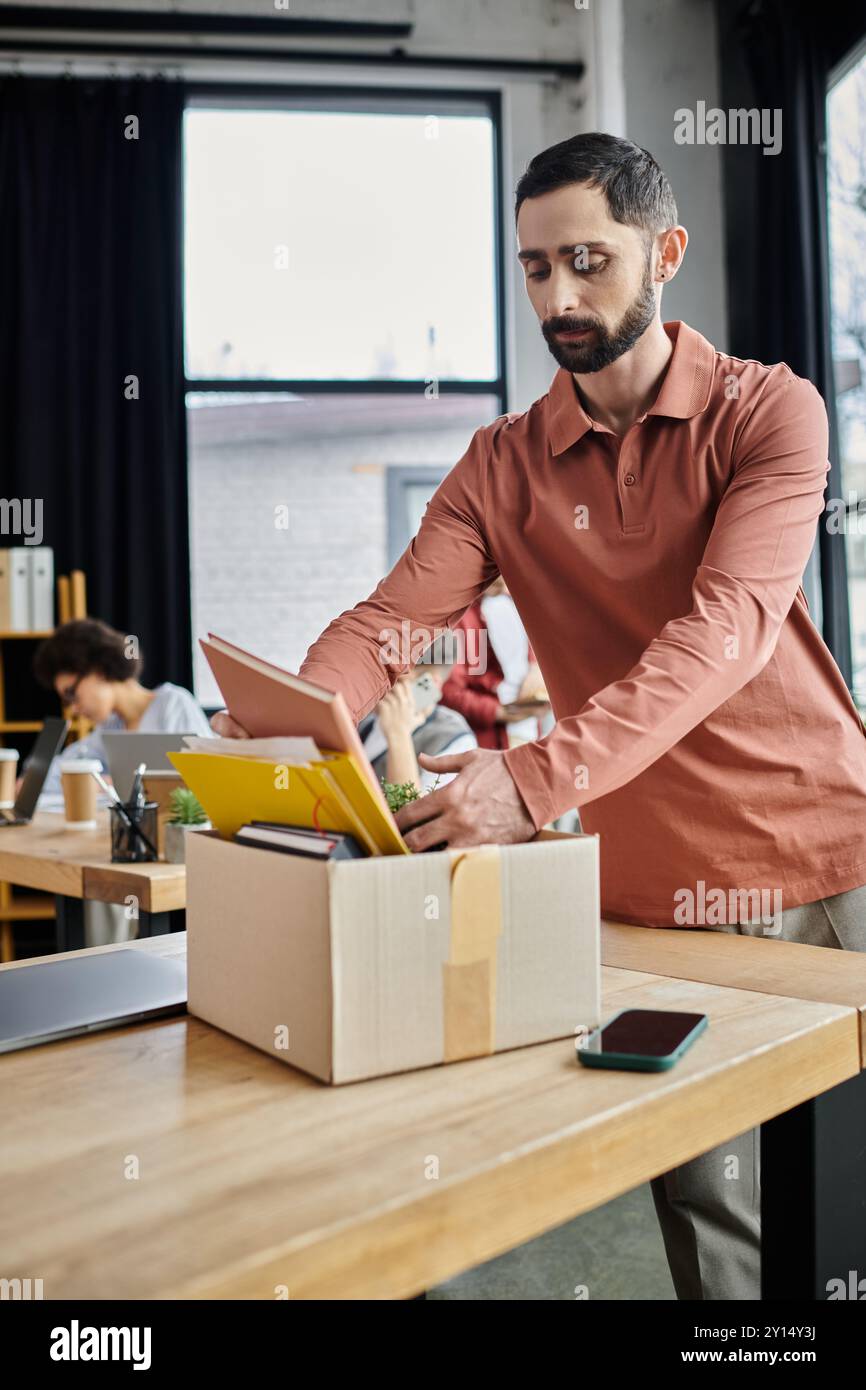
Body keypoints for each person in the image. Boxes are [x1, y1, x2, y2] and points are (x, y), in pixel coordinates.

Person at [214, 132, 866, 1301]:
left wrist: (527, 781)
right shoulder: (499, 465)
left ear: (662, 252)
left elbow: (723, 631)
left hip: (826, 862)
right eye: (531, 268)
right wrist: (294, 723)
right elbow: (386, 626)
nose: (556, 297)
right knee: (719, 1228)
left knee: (848, 1213)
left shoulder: (770, 414)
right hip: (651, 890)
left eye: (586, 261)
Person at [33, 618, 212, 944]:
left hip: (176, 856)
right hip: (131, 853)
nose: (74, 709)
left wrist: (108, 781)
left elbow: (206, 784)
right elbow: (57, 773)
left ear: (99, 669)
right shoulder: (110, 729)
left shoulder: (173, 705)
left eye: (73, 693)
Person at [442, 576, 550, 749]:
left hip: (529, 731)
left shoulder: (515, 603)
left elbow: (533, 646)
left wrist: (536, 667)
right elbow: (446, 689)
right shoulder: (459, 617)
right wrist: (498, 712)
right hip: (491, 742)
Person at [360, 638, 477, 793]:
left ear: (430, 684)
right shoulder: (369, 713)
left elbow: (413, 813)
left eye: (394, 680)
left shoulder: (456, 741)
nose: (378, 687)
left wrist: (398, 733)